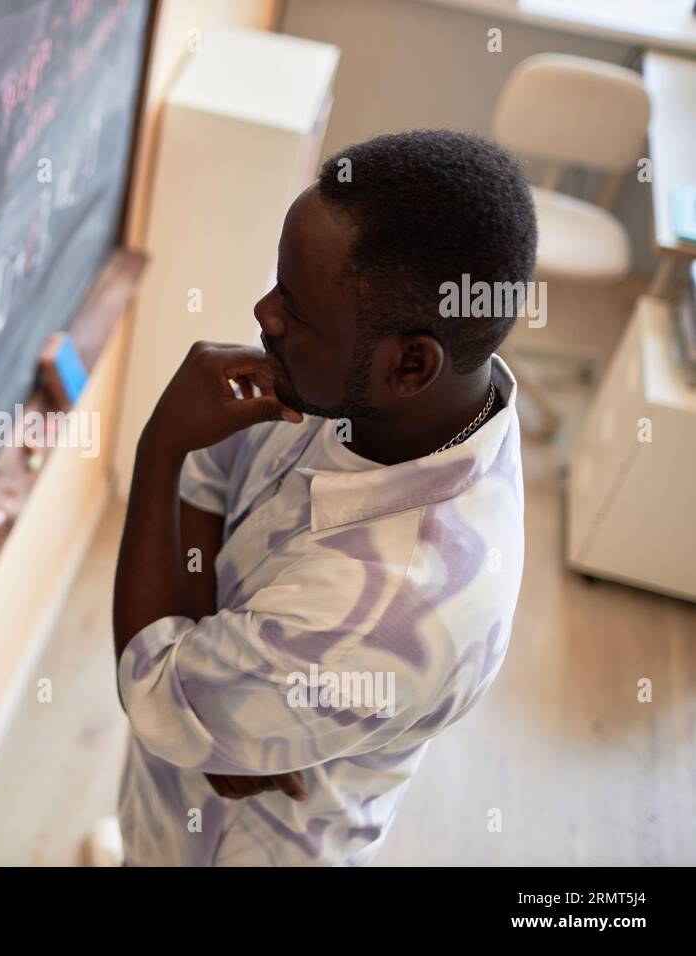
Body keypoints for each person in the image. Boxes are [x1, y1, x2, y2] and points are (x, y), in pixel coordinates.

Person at [106, 129, 536, 866]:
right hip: (170, 810)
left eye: (294, 308)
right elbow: (215, 480)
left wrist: (157, 449)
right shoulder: (391, 391)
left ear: (409, 364)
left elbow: (153, 692)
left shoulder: (392, 611)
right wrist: (213, 710)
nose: (263, 313)